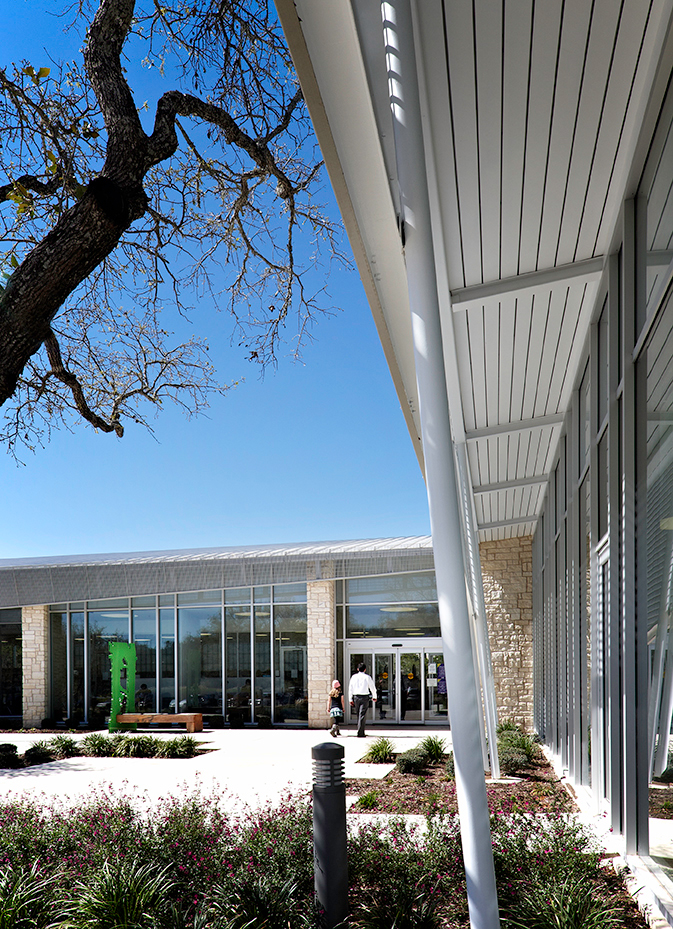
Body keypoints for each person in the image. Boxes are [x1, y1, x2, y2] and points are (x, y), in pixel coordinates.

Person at [348, 662, 377, 737]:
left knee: (359, 714)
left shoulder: (354, 677)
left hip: (356, 697)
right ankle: (360, 732)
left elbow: (350, 688)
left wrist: (350, 698)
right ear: (365, 669)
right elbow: (372, 687)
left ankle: (360, 730)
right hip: (364, 697)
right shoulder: (367, 677)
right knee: (362, 715)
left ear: (358, 669)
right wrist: (374, 696)